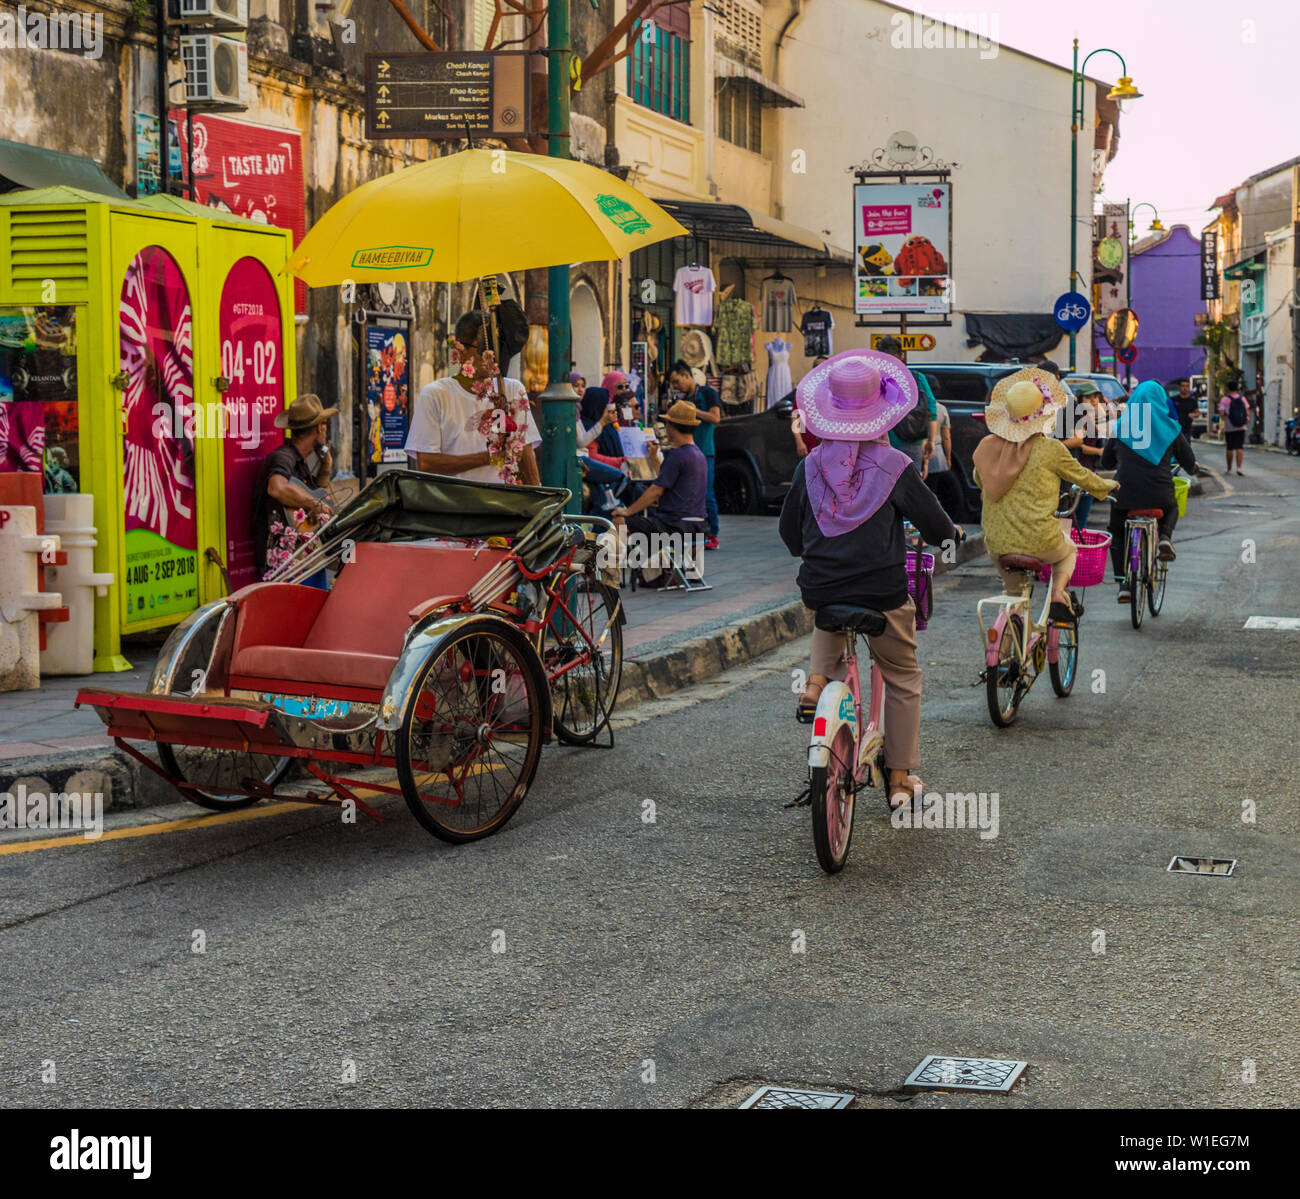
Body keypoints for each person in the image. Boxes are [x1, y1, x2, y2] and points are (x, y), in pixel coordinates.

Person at [779, 351, 960, 812]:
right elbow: (936, 525)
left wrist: (816, 554)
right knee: (902, 675)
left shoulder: (810, 466)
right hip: (881, 593)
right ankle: (899, 778)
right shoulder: (895, 464)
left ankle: (818, 684)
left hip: (821, 585)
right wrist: (950, 538)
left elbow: (788, 532)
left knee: (827, 605)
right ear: (881, 411)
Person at [973, 368, 1117, 624]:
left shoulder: (988, 446)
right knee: (1069, 549)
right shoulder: (1050, 449)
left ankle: (1002, 649)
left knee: (1013, 594)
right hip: (1040, 539)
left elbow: (978, 478)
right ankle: (1059, 594)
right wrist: (1106, 486)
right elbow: (1082, 476)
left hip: (996, 542)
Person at [405, 311, 541, 485]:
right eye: (483, 349)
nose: (491, 356)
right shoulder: (435, 395)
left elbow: (525, 454)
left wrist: (538, 500)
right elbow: (426, 463)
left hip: (504, 503)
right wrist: (487, 458)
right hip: (454, 505)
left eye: (496, 348)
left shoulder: (512, 389)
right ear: (461, 351)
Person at [1101, 379, 1197, 595]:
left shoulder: (1121, 427)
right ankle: (1165, 538)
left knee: (1116, 530)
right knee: (1172, 507)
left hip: (1124, 494)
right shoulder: (1171, 428)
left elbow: (1106, 463)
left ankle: (1122, 583)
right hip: (1159, 493)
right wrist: (1194, 467)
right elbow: (1189, 463)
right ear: (1161, 401)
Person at [253, 393, 337, 584]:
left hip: (304, 559)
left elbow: (317, 494)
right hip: (287, 565)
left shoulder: (301, 462)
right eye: (325, 426)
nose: (326, 431)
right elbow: (277, 488)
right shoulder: (283, 457)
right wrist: (314, 504)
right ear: (320, 427)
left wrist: (325, 467)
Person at [609, 399, 707, 557]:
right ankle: (650, 564)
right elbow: (667, 479)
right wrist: (654, 458)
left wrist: (627, 511)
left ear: (671, 427)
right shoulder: (698, 455)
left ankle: (617, 573)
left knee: (620, 521)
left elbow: (656, 490)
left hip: (676, 526)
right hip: (698, 526)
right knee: (645, 522)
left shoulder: (678, 455)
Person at [667, 360, 722, 549]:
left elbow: (715, 418)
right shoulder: (681, 399)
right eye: (673, 384)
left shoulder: (708, 393)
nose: (676, 386)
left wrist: (691, 411)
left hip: (704, 451)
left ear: (686, 375)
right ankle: (695, 532)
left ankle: (712, 533)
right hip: (684, 452)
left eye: (677, 381)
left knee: (706, 494)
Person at [876, 335, 937, 476]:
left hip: (881, 443)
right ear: (902, 355)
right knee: (912, 488)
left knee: (886, 489)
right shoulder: (916, 377)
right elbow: (931, 408)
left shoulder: (875, 379)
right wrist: (931, 440)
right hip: (912, 440)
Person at [1060, 380, 1106, 530]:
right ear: (1080, 400)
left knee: (1077, 520)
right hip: (1080, 471)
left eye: (1095, 396)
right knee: (1076, 520)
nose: (1093, 400)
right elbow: (1080, 444)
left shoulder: (1089, 417)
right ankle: (1075, 550)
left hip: (1087, 471)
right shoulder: (1078, 417)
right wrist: (1099, 452)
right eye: (1088, 397)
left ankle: (1075, 549)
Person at [924, 400, 963, 520]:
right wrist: (948, 457)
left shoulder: (913, 406)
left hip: (919, 452)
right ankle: (939, 521)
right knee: (937, 490)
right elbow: (946, 437)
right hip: (938, 455)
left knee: (925, 492)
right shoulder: (941, 409)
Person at [1218, 378, 1251, 476]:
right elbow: (1247, 412)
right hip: (1241, 427)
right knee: (1240, 447)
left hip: (1230, 427)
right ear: (1237, 388)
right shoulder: (1242, 398)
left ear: (1228, 388)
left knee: (1230, 448)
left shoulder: (1225, 399)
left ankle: (1229, 469)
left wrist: (1225, 420)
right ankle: (1239, 468)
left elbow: (1222, 413)